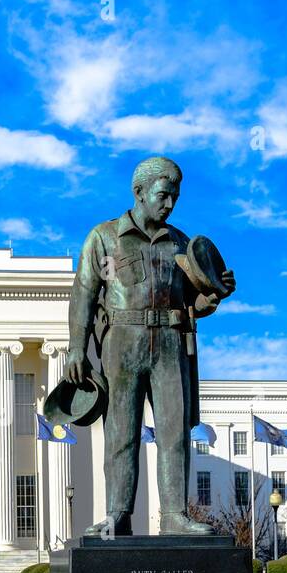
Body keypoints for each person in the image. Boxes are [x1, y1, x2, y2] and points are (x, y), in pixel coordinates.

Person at [64, 156, 235, 536]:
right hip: (122, 341)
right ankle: (117, 515)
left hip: (171, 344)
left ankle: (174, 515)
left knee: (174, 433)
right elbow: (84, 293)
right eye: (163, 194)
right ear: (139, 192)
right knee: (121, 433)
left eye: (175, 196)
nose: (170, 203)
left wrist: (216, 294)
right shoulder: (105, 237)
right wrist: (76, 347)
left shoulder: (181, 244)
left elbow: (194, 303)